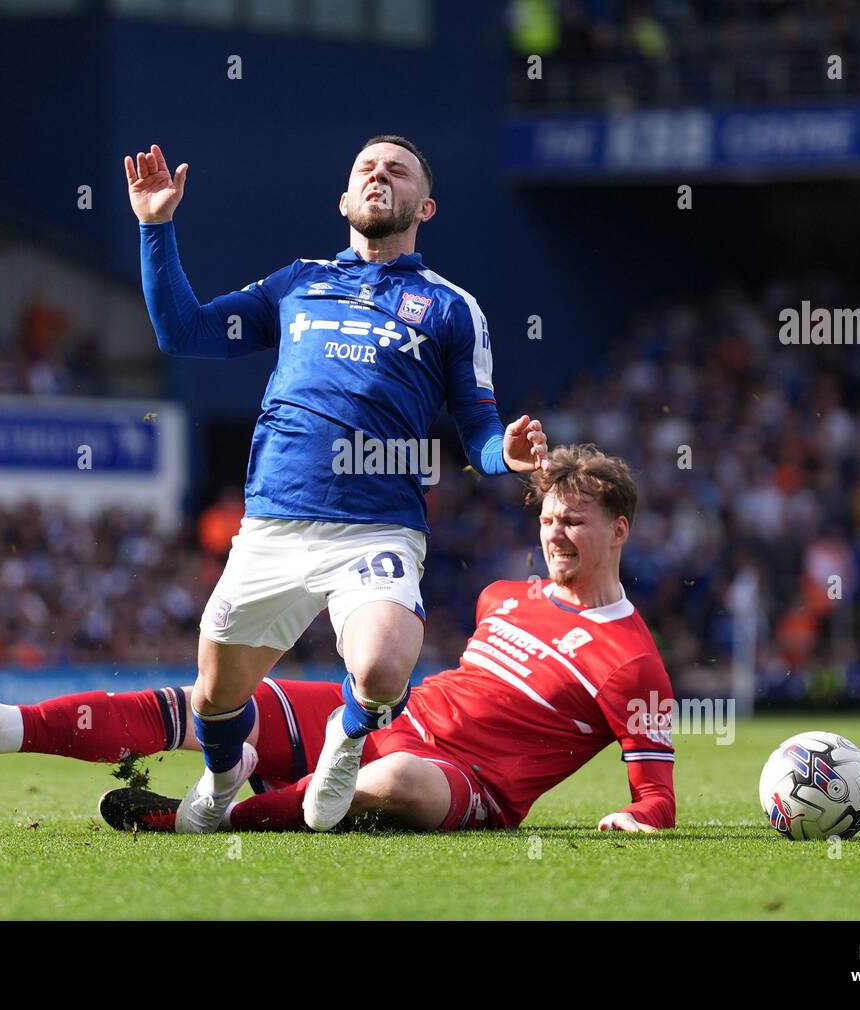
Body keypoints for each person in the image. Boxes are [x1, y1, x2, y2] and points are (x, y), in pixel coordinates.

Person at [111, 134, 546, 832]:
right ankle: (225, 777)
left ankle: (345, 747)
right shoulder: (296, 283)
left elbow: (482, 431)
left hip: (377, 527)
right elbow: (183, 331)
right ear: (344, 199)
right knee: (215, 699)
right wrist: (156, 225)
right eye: (366, 169)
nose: (380, 177)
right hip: (274, 526)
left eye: (397, 171)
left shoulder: (451, 308)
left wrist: (510, 455)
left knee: (378, 669)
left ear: (424, 205)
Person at [0, 445, 676, 834]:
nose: (556, 533)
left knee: (395, 781)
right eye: (547, 519)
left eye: (574, 520)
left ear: (619, 530)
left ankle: (200, 820)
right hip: (392, 717)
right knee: (210, 700)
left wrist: (638, 821)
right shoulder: (502, 597)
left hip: (466, 780)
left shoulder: (632, 662)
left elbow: (656, 803)